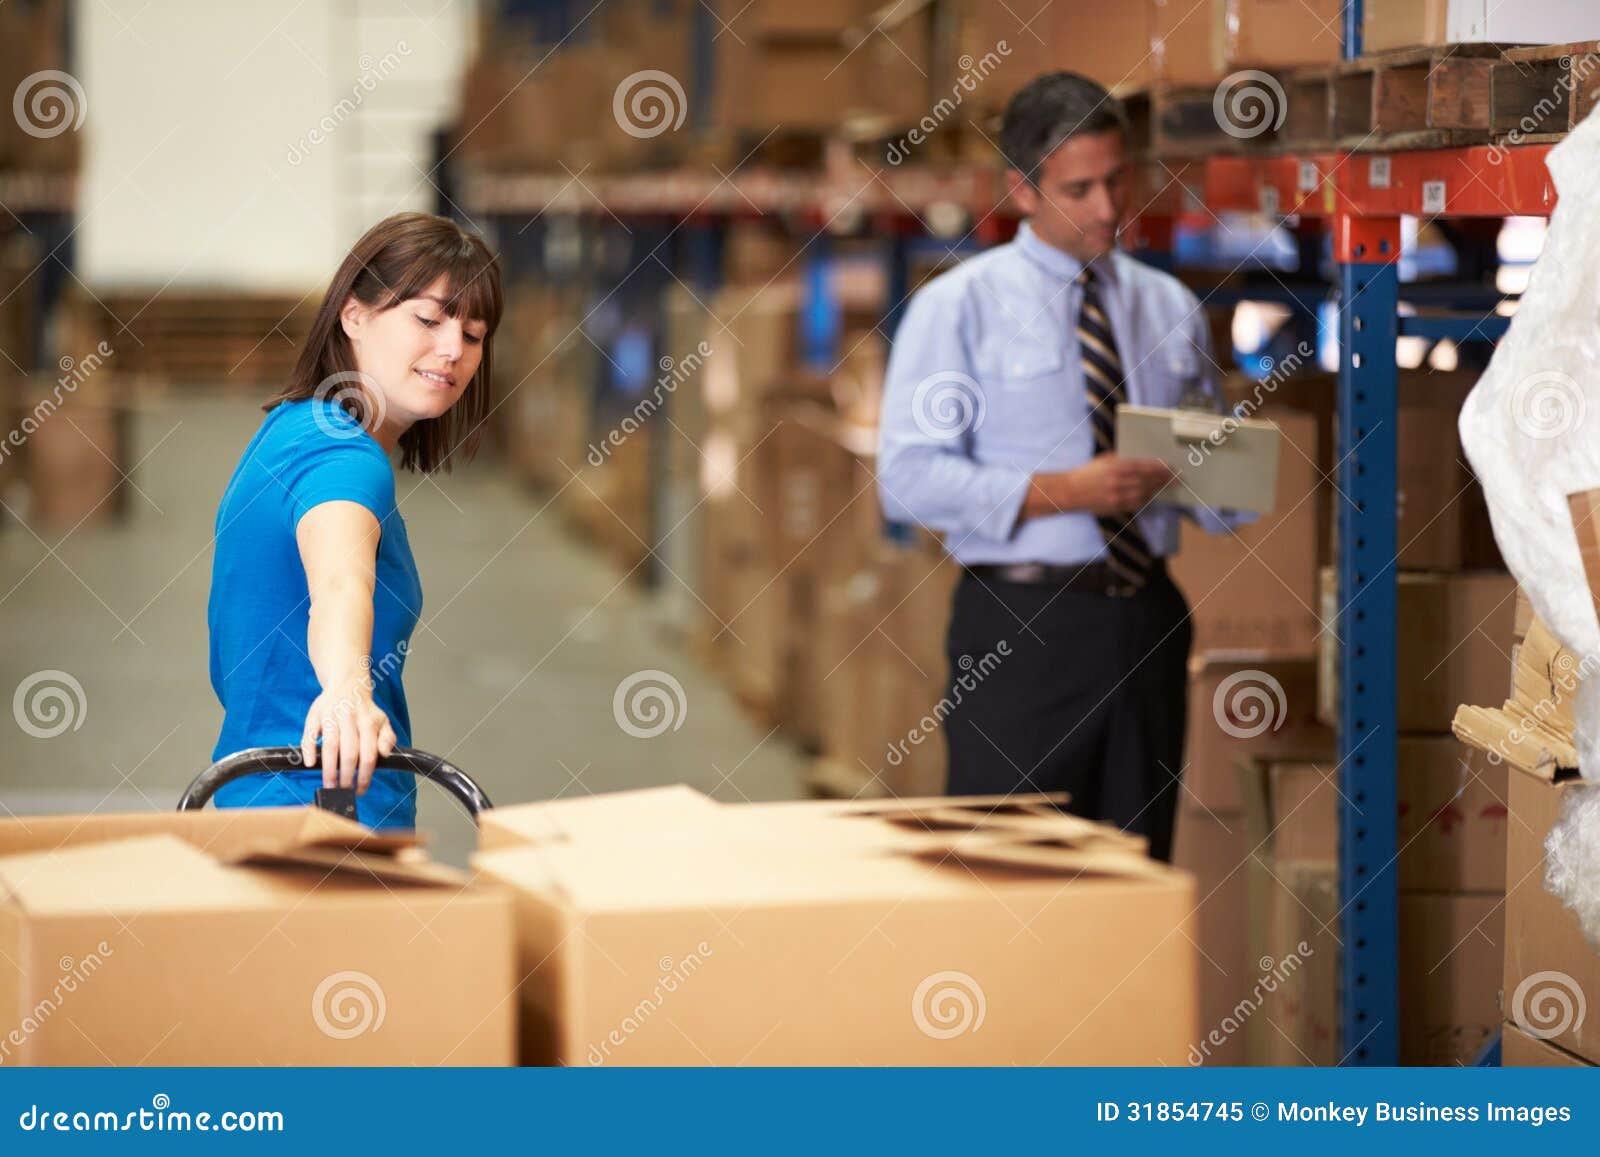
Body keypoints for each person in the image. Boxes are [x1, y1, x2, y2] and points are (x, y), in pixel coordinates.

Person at [876, 73, 1247, 862]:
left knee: (1136, 872)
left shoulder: (1167, 306)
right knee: (1007, 872)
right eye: (1079, 189)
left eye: (1117, 181)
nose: (1108, 209)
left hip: (1146, 618)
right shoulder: (959, 307)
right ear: (1022, 190)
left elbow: (1223, 496)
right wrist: (1064, 493)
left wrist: (1217, 471)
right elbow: (908, 478)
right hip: (1021, 632)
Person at [206, 212, 502, 829]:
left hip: (279, 803)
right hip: (320, 812)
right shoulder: (340, 456)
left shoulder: (294, 428)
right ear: (354, 314)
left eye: (472, 335)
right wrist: (346, 689)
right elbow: (340, 582)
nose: (451, 349)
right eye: (427, 318)